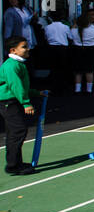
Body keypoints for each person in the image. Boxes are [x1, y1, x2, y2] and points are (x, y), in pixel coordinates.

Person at [1, 37, 36, 177]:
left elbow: (23, 85)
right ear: (13, 50)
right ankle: (13, 165)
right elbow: (15, 85)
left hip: (12, 100)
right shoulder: (11, 65)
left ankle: (15, 163)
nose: (27, 49)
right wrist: (26, 103)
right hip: (8, 101)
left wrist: (35, 93)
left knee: (14, 132)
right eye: (24, 47)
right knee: (18, 131)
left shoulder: (19, 64)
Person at [41, 10, 72, 93]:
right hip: (63, 49)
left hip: (52, 48)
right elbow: (70, 37)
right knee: (63, 68)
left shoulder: (47, 27)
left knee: (54, 69)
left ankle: (54, 87)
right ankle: (63, 87)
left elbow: (46, 38)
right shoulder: (65, 27)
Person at [72, 11, 94, 93]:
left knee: (78, 72)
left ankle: (77, 89)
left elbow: (70, 37)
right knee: (89, 71)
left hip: (77, 50)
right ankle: (89, 89)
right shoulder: (93, 30)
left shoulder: (74, 30)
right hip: (91, 51)